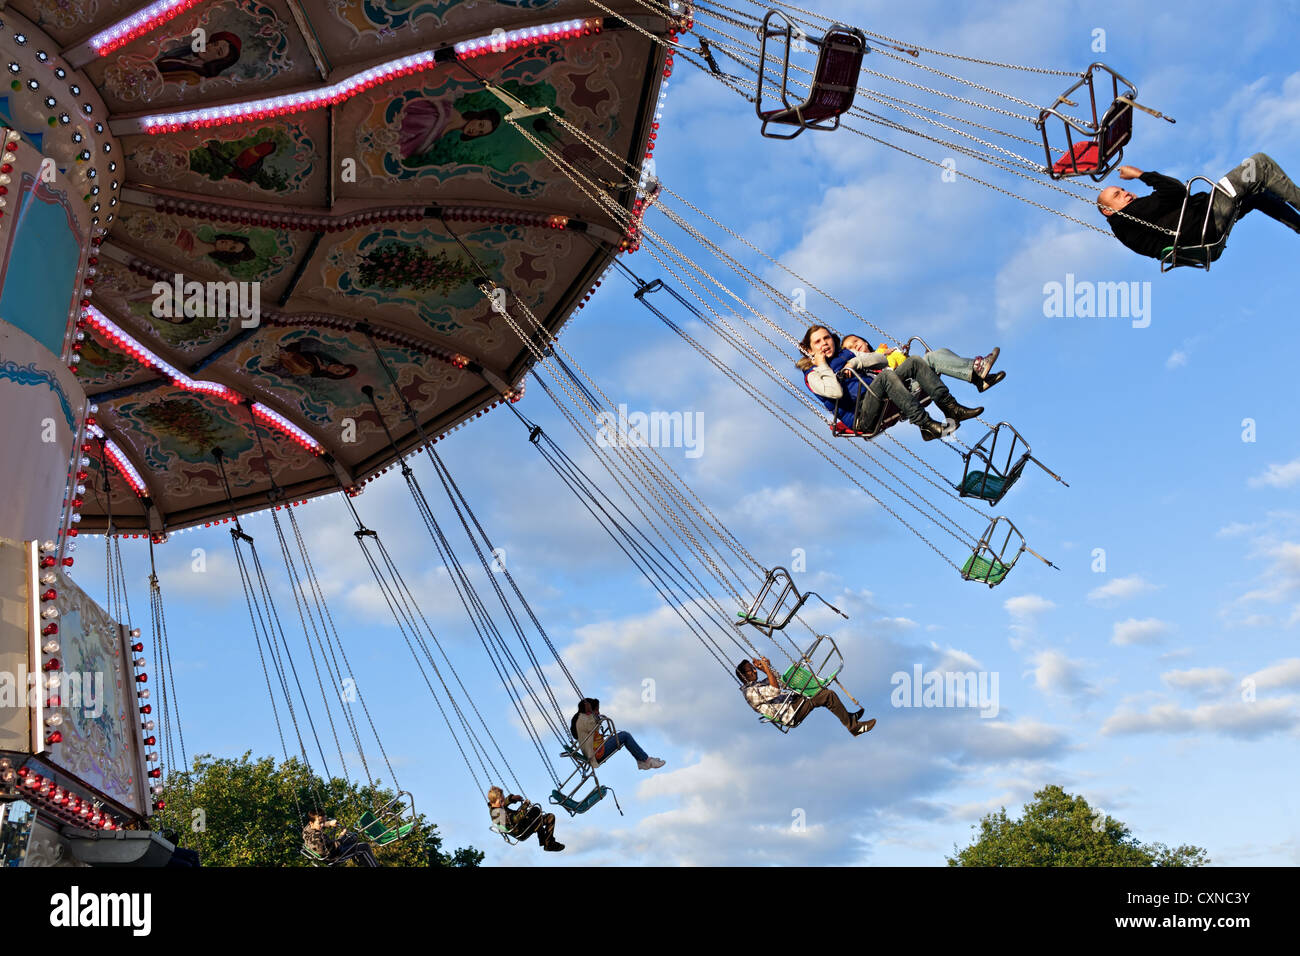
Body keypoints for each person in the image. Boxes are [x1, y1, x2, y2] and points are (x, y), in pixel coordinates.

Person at [1097, 155, 1300, 262]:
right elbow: (1175, 190)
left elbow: (1173, 195)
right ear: (1108, 210)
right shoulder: (1129, 215)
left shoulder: (1132, 225)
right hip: (1209, 218)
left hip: (1204, 230)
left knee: (1257, 195)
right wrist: (1140, 174)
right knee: (1259, 164)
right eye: (1117, 195)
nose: (1126, 193)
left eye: (1123, 189)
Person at [797, 325, 981, 441]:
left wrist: (854, 362)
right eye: (818, 342)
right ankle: (925, 424)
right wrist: (821, 364)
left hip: (877, 395)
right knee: (885, 378)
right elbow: (835, 392)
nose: (824, 343)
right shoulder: (812, 375)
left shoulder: (846, 354)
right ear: (810, 349)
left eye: (827, 338)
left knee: (914, 361)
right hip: (862, 416)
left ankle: (950, 407)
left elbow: (881, 360)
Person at [736, 656, 876, 736]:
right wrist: (766, 668)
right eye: (751, 670)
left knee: (818, 689)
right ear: (744, 676)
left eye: (753, 668)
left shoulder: (757, 685)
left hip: (792, 702)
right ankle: (853, 727)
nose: (754, 671)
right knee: (827, 695)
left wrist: (768, 667)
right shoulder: (750, 693)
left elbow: (779, 681)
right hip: (790, 713)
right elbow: (775, 690)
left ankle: (848, 717)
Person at [840, 334, 1004, 394]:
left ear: (865, 341)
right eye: (851, 348)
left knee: (938, 353)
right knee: (932, 358)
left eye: (856, 341)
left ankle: (978, 380)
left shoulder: (883, 352)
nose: (856, 346)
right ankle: (977, 369)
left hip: (910, 379)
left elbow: (902, 363)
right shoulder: (863, 369)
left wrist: (899, 354)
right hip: (904, 390)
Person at [570, 698, 665, 771]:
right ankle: (646, 761)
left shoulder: (581, 720)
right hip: (596, 754)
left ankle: (642, 760)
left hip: (594, 750)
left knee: (620, 736)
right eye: (596, 710)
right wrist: (597, 719)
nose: (598, 712)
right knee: (625, 735)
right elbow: (591, 726)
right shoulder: (585, 721)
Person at [487, 786, 564, 851]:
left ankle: (546, 842)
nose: (503, 802)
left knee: (542, 816)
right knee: (541, 813)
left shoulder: (494, 807)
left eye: (503, 799)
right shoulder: (498, 814)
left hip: (522, 826)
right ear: (495, 801)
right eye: (501, 800)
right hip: (521, 830)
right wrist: (525, 806)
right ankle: (548, 844)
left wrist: (512, 798)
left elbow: (505, 802)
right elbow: (515, 819)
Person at [302, 810, 378, 867]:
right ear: (311, 823)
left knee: (352, 839)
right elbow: (332, 849)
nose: (322, 825)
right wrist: (341, 836)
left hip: (328, 851)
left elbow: (319, 824)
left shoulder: (307, 830)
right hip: (334, 857)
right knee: (364, 847)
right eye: (320, 823)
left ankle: (362, 861)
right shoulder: (317, 837)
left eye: (324, 821)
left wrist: (329, 823)